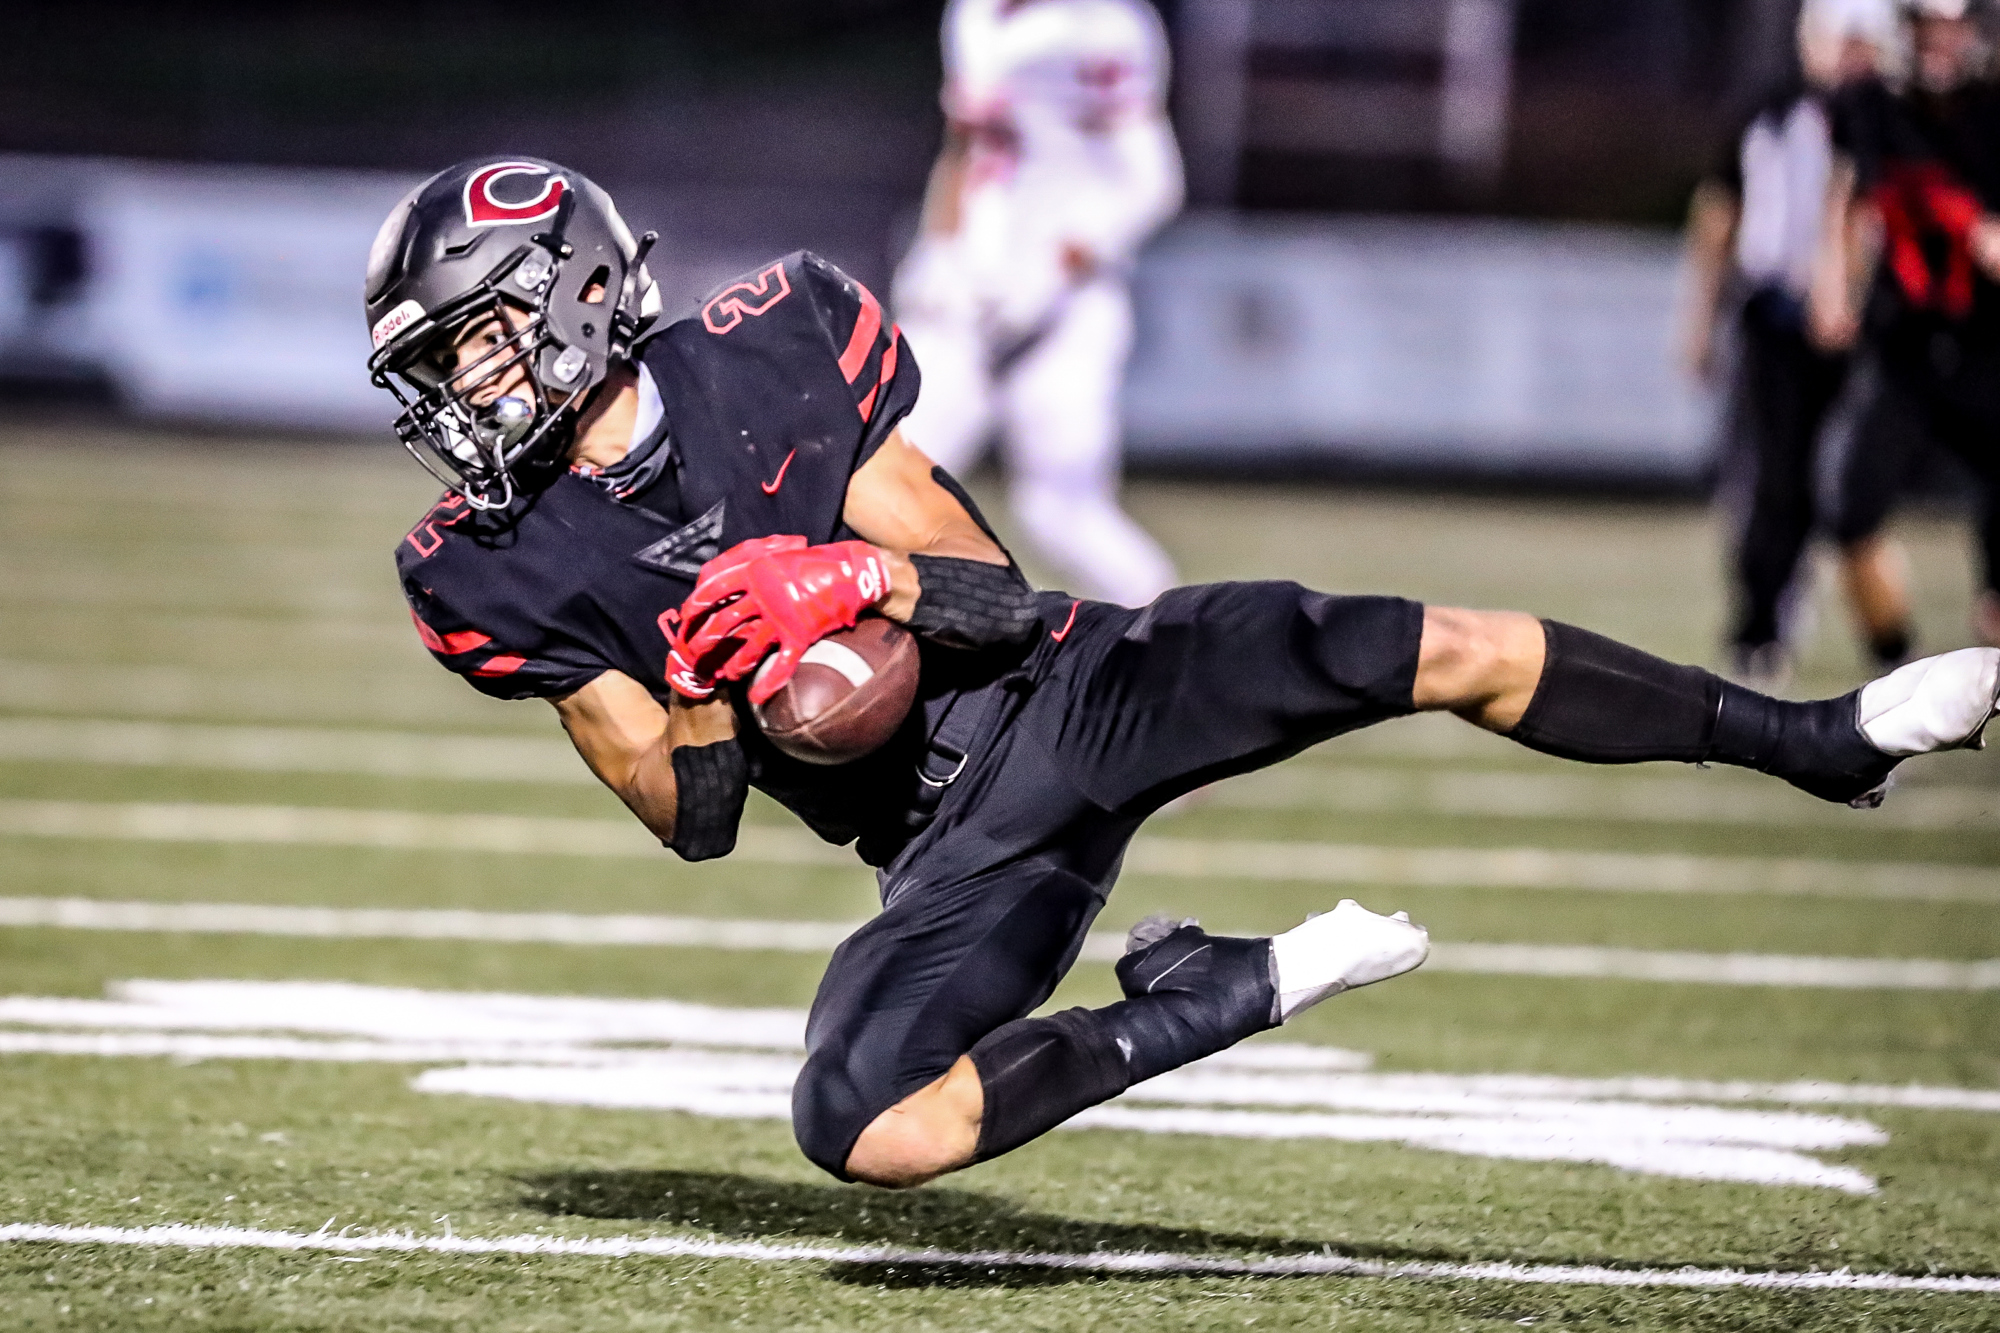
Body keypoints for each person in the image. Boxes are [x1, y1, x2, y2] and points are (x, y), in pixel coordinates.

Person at [367, 157, 2000, 1190]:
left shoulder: (771, 346)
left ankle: (1816, 734)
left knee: (1447, 645)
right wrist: (707, 686)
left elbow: (998, 602)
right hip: (946, 848)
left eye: (476, 341)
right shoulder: (488, 566)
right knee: (862, 1124)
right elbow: (695, 820)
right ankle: (1208, 998)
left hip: (1077, 689)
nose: (460, 391)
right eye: (441, 366)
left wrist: (858, 576)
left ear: (580, 293)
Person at [891, 0, 1182, 608]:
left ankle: (1182, 636)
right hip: (967, 287)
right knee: (884, 483)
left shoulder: (1104, 26)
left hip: (1068, 300)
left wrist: (1054, 266)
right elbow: (967, 147)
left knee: (1060, 512)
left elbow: (1151, 181)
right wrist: (939, 248)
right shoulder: (974, 14)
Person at [1681, 0, 1901, 685]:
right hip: (1774, 318)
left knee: (1844, 489)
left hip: (1865, 330)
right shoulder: (1767, 111)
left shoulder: (1898, 122)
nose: (1848, 57)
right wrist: (1699, 321)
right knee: (1771, 476)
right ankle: (1761, 622)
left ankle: (1889, 640)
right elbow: (1720, 212)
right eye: (1839, 41)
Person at [1815, 0, 2000, 652]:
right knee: (1848, 507)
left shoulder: (1991, 113)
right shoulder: (1870, 105)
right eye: (1927, 28)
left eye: (1951, 28)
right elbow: (1848, 195)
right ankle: (1893, 657)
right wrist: (1832, 283)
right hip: (1903, 339)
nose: (1939, 43)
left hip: (1987, 341)